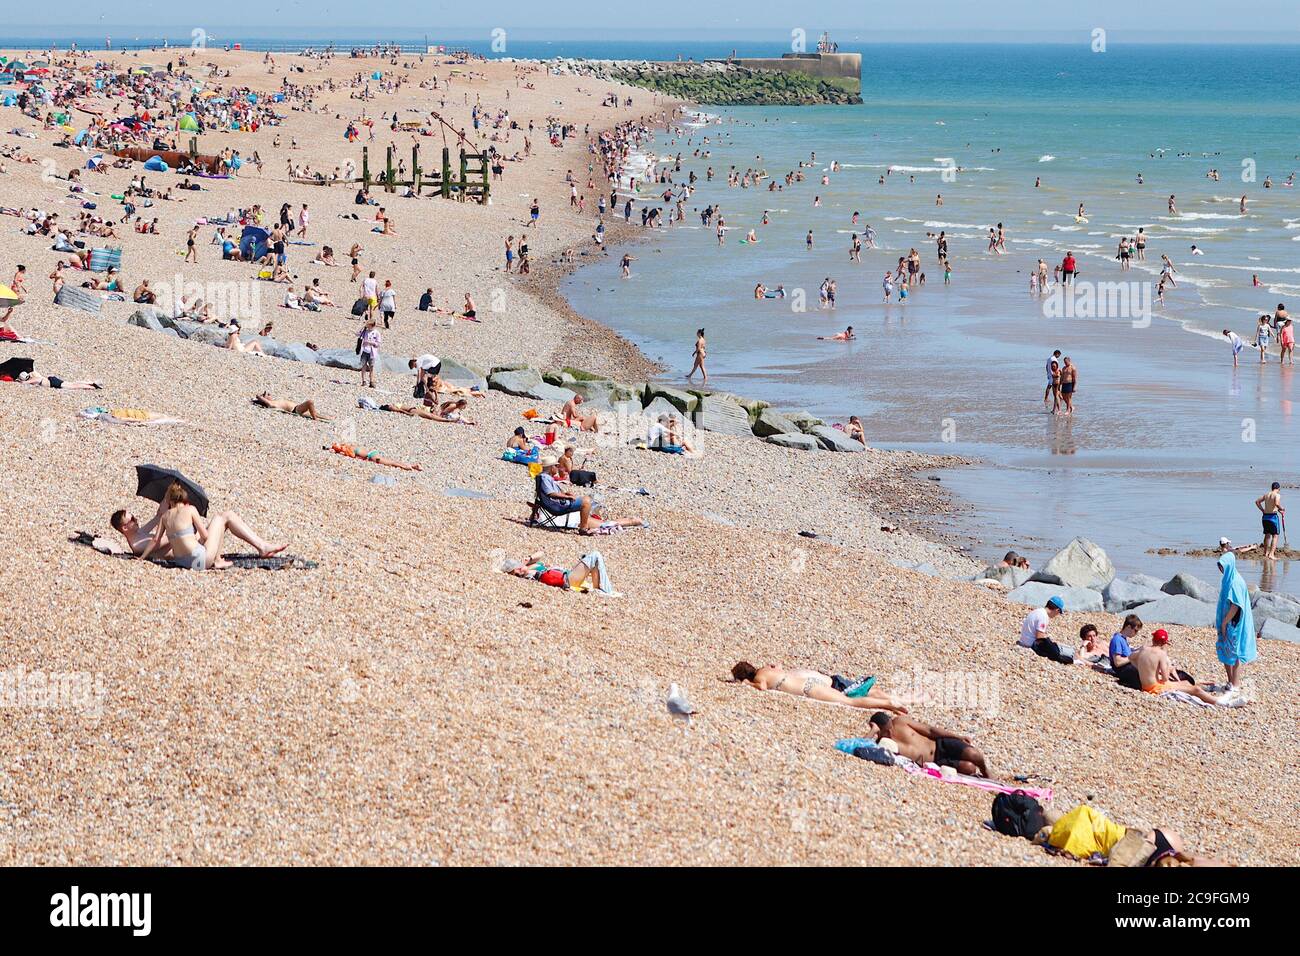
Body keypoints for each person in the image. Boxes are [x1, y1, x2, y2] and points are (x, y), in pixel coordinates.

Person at [134, 481, 286, 570]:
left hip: (182, 563)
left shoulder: (165, 517)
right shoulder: (191, 509)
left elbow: (155, 541)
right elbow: (206, 536)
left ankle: (257, 548)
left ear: (170, 501)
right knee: (222, 517)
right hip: (200, 561)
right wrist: (195, 537)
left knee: (220, 521)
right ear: (184, 499)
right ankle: (222, 560)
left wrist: (142, 558)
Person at [729, 662, 911, 713]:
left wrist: (746, 684)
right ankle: (888, 702)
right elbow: (779, 666)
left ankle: (887, 704)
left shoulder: (759, 677)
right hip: (811, 683)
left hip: (807, 690)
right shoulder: (767, 668)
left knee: (849, 702)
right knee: (847, 698)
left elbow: (761, 687)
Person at [868, 712, 994, 778]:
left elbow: (930, 730)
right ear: (879, 730)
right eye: (886, 730)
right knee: (969, 768)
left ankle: (986, 771)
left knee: (974, 754)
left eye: (891, 727)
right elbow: (859, 746)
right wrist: (873, 731)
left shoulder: (900, 721)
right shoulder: (881, 745)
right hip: (936, 761)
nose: (891, 732)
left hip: (940, 744)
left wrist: (958, 737)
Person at [1130, 631, 1236, 706]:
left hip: (1147, 686)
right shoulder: (1161, 654)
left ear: (1153, 639)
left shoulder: (1143, 649)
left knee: (1186, 683)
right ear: (1164, 643)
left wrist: (1141, 669)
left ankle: (1213, 695)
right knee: (1196, 689)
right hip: (1155, 688)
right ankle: (1221, 702)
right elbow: (1165, 678)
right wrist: (1166, 662)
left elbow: (1131, 658)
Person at [1214, 552, 1257, 694]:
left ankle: (1236, 683)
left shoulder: (1236, 582)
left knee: (1235, 652)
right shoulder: (1227, 579)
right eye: (1220, 567)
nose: (1221, 570)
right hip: (1225, 622)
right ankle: (1230, 681)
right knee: (1224, 649)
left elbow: (1236, 605)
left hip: (1233, 623)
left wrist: (1225, 623)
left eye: (1223, 567)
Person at [1018, 596, 1069, 662]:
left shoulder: (1037, 611)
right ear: (1057, 610)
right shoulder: (1044, 616)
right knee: (1056, 651)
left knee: (1052, 644)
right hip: (1030, 644)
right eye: (1059, 613)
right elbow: (1039, 637)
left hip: (1024, 640)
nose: (1057, 615)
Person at [1108, 613, 1143, 689]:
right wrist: (1133, 656)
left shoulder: (1123, 639)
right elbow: (1117, 662)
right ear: (1128, 627)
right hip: (1123, 669)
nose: (1136, 633)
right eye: (1135, 630)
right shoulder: (1117, 639)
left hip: (1127, 667)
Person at [1255, 481, 1284, 559]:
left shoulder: (1267, 495)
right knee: (1275, 536)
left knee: (1267, 535)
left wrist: (1262, 510)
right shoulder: (1277, 495)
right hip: (1273, 517)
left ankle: (1265, 553)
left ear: (1272, 488)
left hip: (1265, 517)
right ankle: (1271, 554)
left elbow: (1257, 502)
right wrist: (1282, 509)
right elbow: (1277, 504)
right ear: (1278, 488)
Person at [254, 392, 332, 420]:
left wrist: (263, 396)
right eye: (266, 395)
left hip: (298, 407)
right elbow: (258, 397)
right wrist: (260, 397)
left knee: (314, 412)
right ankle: (315, 419)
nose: (269, 394)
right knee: (310, 402)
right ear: (264, 399)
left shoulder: (275, 401)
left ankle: (327, 418)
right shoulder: (272, 404)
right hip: (295, 410)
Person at [357, 319, 381, 388]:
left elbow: (378, 344)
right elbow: (357, 333)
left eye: (368, 325)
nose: (367, 327)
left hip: (372, 352)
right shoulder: (365, 332)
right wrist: (362, 327)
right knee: (363, 366)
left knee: (371, 367)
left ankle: (371, 381)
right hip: (364, 351)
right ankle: (363, 381)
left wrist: (370, 342)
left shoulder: (376, 333)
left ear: (372, 325)